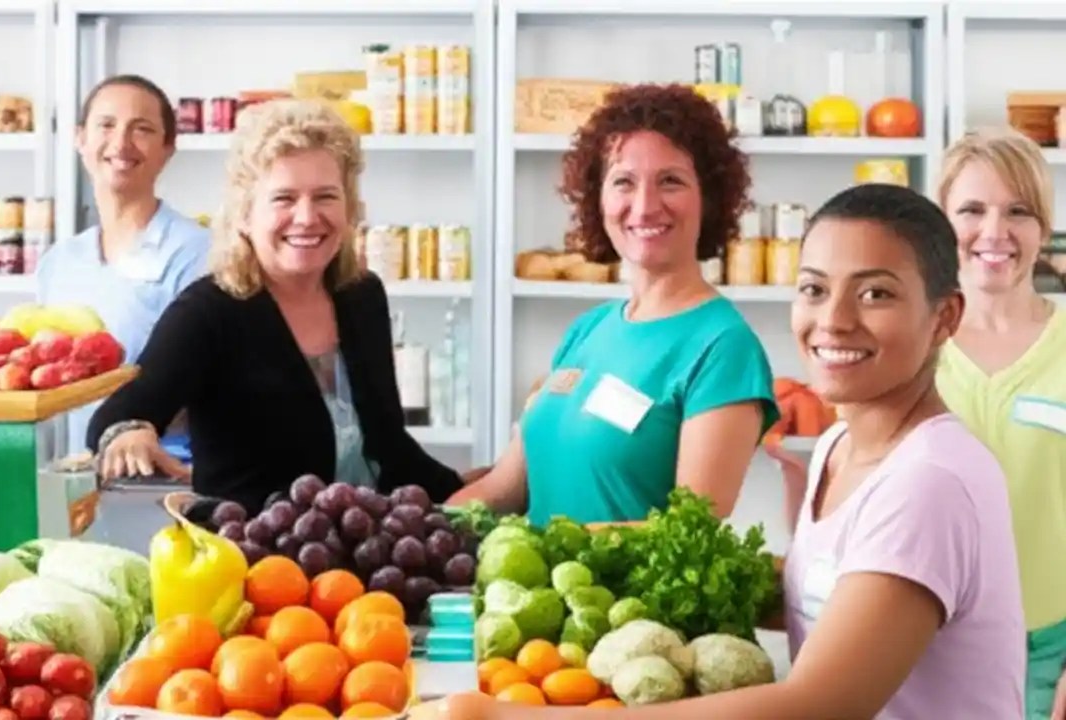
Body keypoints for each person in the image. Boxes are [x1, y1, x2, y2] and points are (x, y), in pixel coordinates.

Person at [421, 184, 1028, 720]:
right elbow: (824, 597)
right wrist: (593, 557)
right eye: (814, 289)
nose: (834, 320)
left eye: (875, 294)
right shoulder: (840, 445)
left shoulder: (929, 481)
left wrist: (511, 718)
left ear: (944, 317)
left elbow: (821, 705)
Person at [86, 98, 463, 512]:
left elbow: (388, 447)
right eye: (284, 198)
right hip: (247, 546)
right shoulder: (209, 311)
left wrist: (477, 490)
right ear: (245, 216)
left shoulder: (361, 296)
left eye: (325, 196)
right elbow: (116, 417)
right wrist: (130, 434)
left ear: (350, 209)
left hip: (365, 541)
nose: (307, 217)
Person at [449, 83, 777, 525]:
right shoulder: (587, 330)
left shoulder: (724, 349)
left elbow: (689, 532)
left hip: (600, 577)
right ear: (598, 197)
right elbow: (503, 488)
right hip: (534, 572)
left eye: (671, 181)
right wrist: (412, 525)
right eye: (624, 181)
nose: (645, 206)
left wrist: (562, 550)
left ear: (710, 198)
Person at [935, 127, 1066, 720]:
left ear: (1044, 227)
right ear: (942, 222)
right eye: (972, 210)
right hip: (921, 648)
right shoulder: (909, 345)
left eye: (1018, 212)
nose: (995, 232)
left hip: (1047, 656)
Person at [37, 74, 209, 454]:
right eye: (106, 125)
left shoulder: (197, 253)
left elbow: (213, 385)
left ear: (168, 148)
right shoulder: (59, 263)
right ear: (80, 138)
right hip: (75, 470)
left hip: (164, 473)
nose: (120, 143)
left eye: (142, 129)